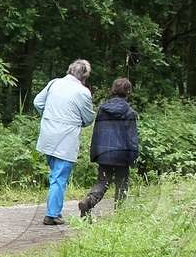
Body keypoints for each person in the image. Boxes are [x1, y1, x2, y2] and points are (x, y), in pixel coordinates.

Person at [32, 59, 95, 226]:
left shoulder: (54, 83)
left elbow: (37, 102)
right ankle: (52, 214)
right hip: (66, 139)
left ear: (69, 70)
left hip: (47, 135)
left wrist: (49, 117)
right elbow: (89, 118)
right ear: (84, 76)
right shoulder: (83, 92)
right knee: (59, 177)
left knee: (55, 174)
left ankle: (53, 211)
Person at [78, 77, 140, 218]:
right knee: (122, 184)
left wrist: (95, 153)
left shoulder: (102, 110)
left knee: (103, 182)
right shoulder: (129, 112)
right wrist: (133, 157)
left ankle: (88, 202)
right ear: (128, 92)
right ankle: (119, 215)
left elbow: (97, 133)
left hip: (104, 153)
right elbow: (132, 138)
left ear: (113, 90)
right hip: (122, 155)